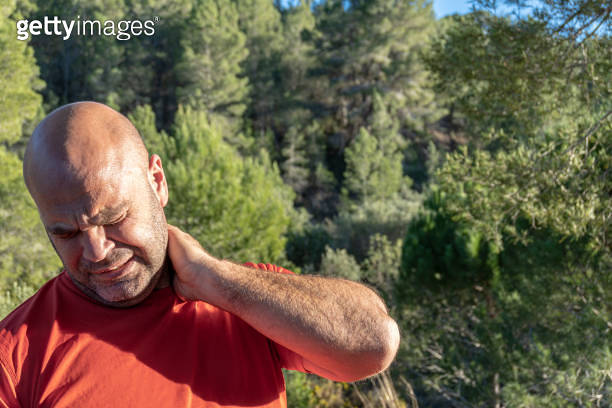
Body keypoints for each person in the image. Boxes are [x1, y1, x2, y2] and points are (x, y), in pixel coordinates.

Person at [0, 102, 400, 407]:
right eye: (66, 232)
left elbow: (373, 344)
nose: (97, 250)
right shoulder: (14, 355)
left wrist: (217, 282)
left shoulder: (244, 299)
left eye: (115, 216)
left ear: (157, 182)